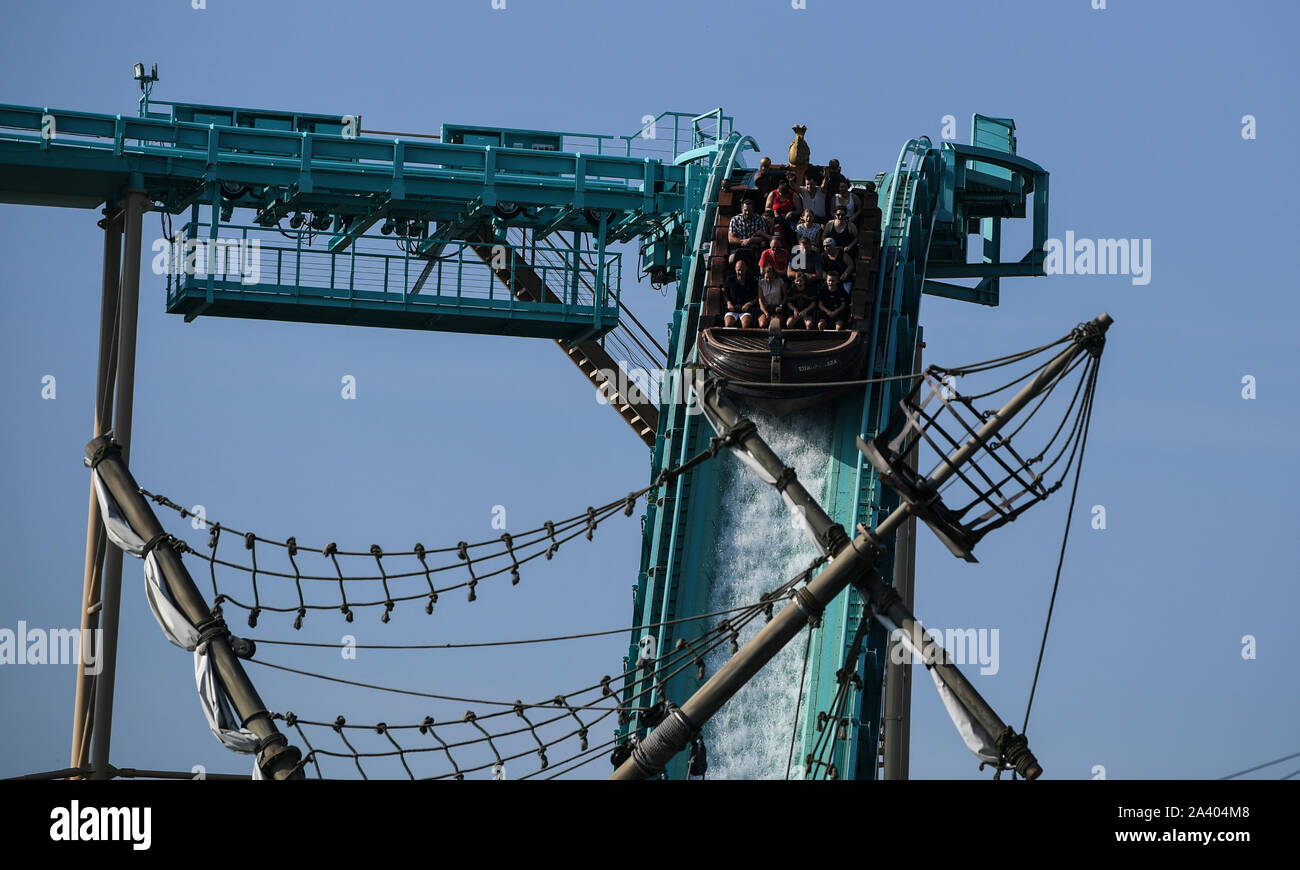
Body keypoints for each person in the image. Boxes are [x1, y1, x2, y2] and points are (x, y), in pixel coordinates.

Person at [727, 198, 770, 266]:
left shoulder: (760, 219)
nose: (747, 213)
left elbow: (763, 238)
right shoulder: (735, 220)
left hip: (755, 247)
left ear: (753, 210)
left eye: (749, 211)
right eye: (745, 210)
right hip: (738, 247)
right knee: (731, 260)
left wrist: (751, 240)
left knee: (758, 260)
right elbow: (731, 239)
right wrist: (744, 242)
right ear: (742, 209)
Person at [722, 259, 759, 328]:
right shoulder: (730, 279)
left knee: (746, 325)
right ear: (735, 269)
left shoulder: (752, 280)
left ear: (746, 269)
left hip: (746, 310)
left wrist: (749, 303)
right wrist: (728, 303)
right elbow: (723, 292)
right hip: (732, 309)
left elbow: (758, 297)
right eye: (738, 270)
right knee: (728, 324)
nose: (740, 272)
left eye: (742, 270)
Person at [757, 264, 787, 329]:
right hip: (765, 308)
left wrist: (781, 306)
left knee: (774, 326)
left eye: (770, 277)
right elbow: (760, 300)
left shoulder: (780, 281)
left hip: (777, 308)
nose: (768, 280)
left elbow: (785, 296)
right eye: (766, 278)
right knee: (762, 324)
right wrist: (766, 313)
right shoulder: (761, 283)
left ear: (774, 276)